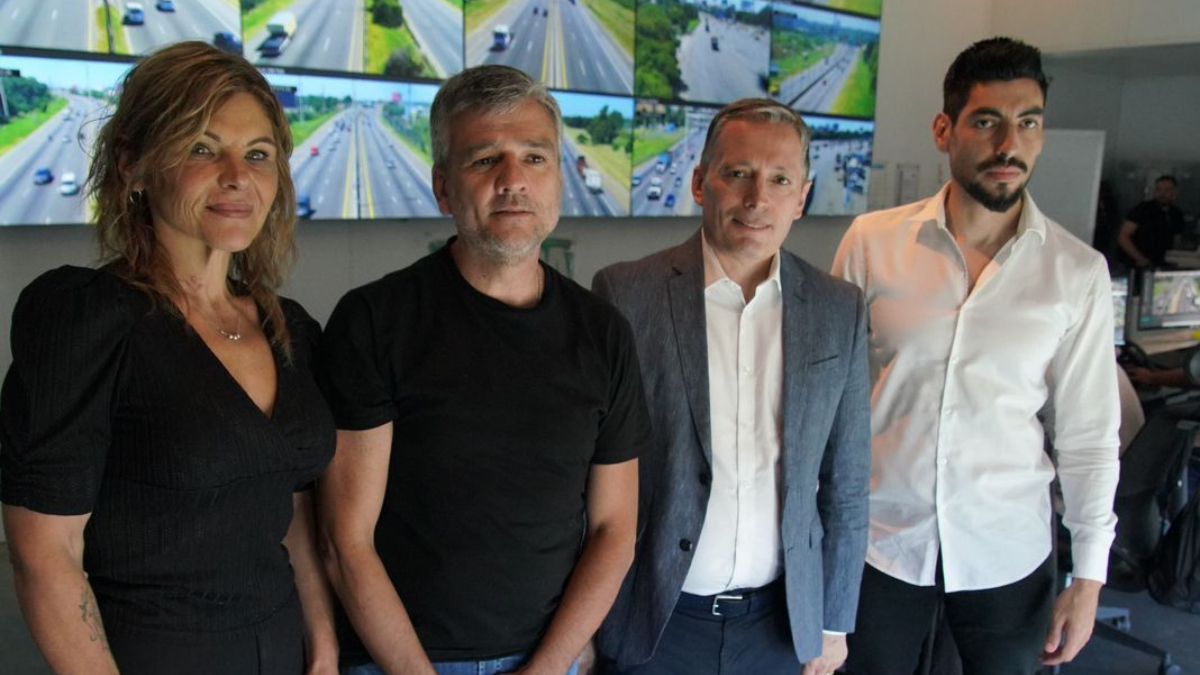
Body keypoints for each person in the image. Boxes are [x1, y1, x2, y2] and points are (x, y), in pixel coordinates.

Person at [0, 42, 337, 673]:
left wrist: (322, 645)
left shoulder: (288, 327)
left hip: (282, 646)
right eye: (203, 149)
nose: (237, 176)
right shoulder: (86, 319)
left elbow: (290, 512)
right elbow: (45, 554)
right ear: (134, 165)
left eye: (258, 155)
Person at [315, 65, 649, 675]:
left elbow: (614, 529)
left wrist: (548, 667)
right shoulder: (373, 321)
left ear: (560, 181)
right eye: (484, 159)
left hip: (550, 659)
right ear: (444, 188)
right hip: (400, 662)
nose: (512, 181)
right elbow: (346, 543)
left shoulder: (604, 334)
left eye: (534, 158)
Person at [832, 37, 1120, 674]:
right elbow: (835, 405)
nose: (1008, 145)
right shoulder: (872, 243)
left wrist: (1090, 577)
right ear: (945, 129)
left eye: (1028, 123)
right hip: (880, 549)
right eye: (987, 121)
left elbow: (1089, 436)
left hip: (1006, 556)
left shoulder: (1077, 272)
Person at [592, 99, 871, 675]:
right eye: (737, 173)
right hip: (653, 621)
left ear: (803, 195)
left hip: (781, 625)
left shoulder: (838, 307)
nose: (756, 198)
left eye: (779, 179)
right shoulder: (626, 294)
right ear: (700, 183)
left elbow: (846, 482)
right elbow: (589, 475)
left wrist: (834, 622)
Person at [1117, 175, 1187, 269]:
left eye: (1167, 190)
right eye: (1158, 189)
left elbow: (1177, 241)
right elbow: (1123, 237)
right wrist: (1141, 259)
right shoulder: (1142, 209)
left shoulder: (1177, 214)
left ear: (1174, 192)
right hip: (1137, 265)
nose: (1162, 193)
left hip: (1164, 265)